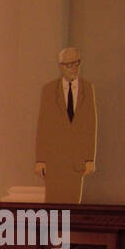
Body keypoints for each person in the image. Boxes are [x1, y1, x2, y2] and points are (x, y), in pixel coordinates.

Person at [35, 47, 97, 204]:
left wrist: (90, 158)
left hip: (77, 161)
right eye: (69, 65)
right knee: (53, 203)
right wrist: (40, 159)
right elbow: (43, 126)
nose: (73, 68)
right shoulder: (49, 90)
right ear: (61, 66)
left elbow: (90, 125)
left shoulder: (87, 89)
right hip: (54, 160)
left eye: (76, 63)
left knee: (73, 203)